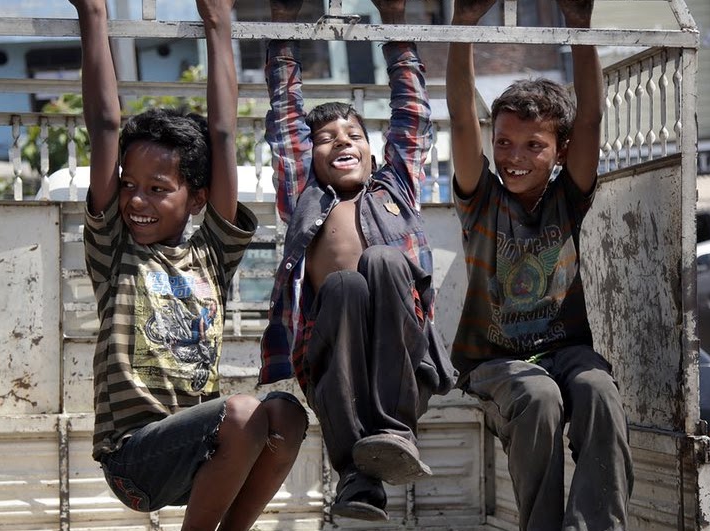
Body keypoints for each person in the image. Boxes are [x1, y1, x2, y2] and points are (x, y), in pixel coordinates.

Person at [71, 0, 307, 528]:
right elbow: (105, 124)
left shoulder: (211, 256)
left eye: (158, 190)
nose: (136, 201)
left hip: (201, 454)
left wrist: (219, 25)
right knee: (244, 410)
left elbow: (223, 136)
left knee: (286, 415)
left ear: (196, 199)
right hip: (134, 459)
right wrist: (94, 13)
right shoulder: (115, 250)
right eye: (130, 187)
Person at [257, 0, 455, 522]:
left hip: (405, 353)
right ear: (310, 155)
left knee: (387, 260)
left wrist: (393, 25)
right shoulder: (303, 193)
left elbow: (412, 111)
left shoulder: (396, 188)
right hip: (333, 345)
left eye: (352, 135)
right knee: (344, 285)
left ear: (372, 151)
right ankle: (357, 477)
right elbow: (284, 114)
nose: (341, 141)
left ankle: (394, 430)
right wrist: (282, 30)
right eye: (325, 138)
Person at [446, 0, 633, 529]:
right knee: (540, 394)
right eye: (504, 142)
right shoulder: (480, 198)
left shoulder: (567, 198)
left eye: (534, 145)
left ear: (561, 150)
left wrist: (579, 25)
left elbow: (591, 115)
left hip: (565, 351)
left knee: (597, 389)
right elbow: (463, 116)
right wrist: (462, 26)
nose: (514, 156)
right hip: (493, 362)